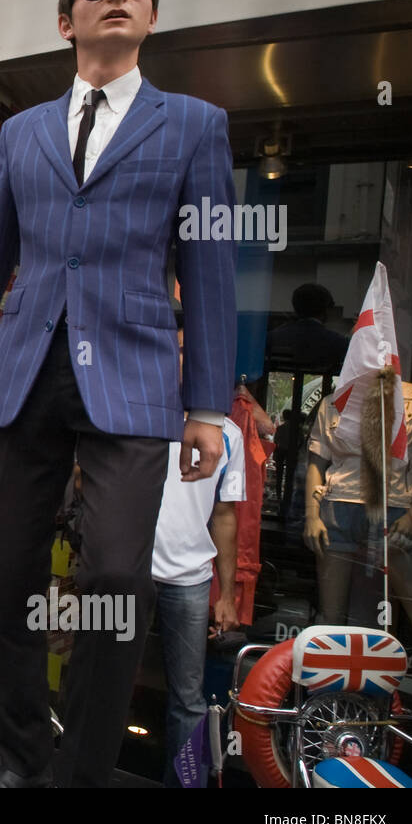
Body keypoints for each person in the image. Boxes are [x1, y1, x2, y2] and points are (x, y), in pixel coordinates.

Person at [0, 0, 237, 787]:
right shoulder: (25, 132)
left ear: (150, 15)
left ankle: (84, 771)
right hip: (29, 365)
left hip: (135, 378)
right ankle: (27, 755)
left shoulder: (195, 125)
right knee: (7, 567)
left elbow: (210, 270)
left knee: (111, 572)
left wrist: (207, 407)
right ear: (66, 19)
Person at [151, 335, 244, 786]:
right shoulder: (137, 411)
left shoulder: (228, 432)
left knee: (188, 698)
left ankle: (186, 784)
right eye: (179, 351)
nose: (185, 361)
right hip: (126, 572)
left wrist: (227, 595)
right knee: (102, 680)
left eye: (193, 352)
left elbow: (225, 515)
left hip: (190, 579)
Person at [303, 380, 412, 656]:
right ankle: (333, 681)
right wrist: (311, 515)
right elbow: (317, 461)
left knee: (406, 611)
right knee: (333, 614)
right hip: (338, 507)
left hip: (395, 506)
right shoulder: (333, 401)